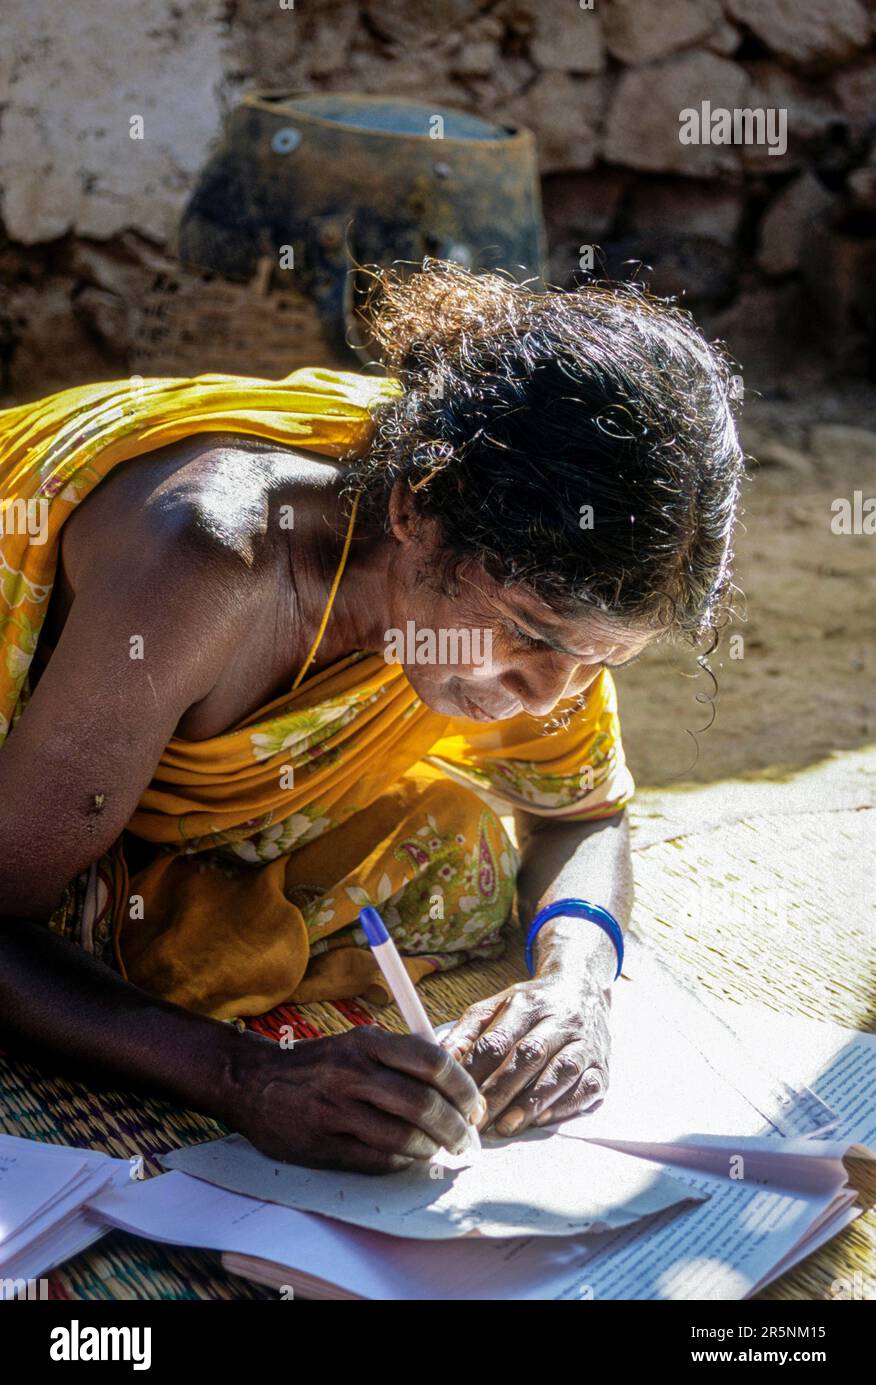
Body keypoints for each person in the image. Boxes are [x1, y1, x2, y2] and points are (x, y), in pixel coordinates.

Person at [0, 261, 744, 1173]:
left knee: (463, 855)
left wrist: (577, 983)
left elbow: (581, 812)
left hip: (109, 772)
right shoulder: (206, 558)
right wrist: (245, 1079)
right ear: (414, 511)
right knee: (70, 941)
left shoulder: (523, 565)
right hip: (36, 784)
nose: (552, 694)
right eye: (527, 635)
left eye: (600, 660)